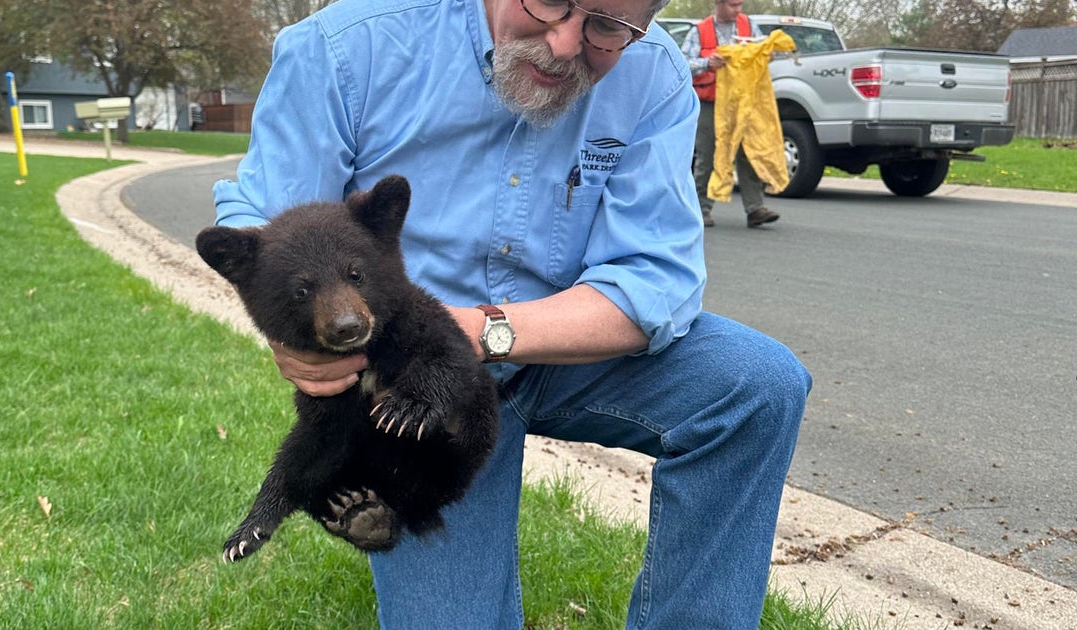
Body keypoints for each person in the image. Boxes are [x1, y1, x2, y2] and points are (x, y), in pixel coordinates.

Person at [212, 0, 811, 626]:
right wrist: (302, 339)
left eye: (608, 26)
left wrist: (484, 333)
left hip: (569, 345)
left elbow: (657, 276)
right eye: (550, 2)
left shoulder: (654, 71)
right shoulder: (346, 46)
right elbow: (264, 227)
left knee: (759, 385)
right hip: (411, 388)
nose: (563, 44)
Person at [682, 0, 781, 228]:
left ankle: (755, 209)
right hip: (712, 104)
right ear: (719, 3)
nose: (738, 10)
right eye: (733, 5)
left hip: (743, 103)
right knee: (708, 155)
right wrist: (708, 62)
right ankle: (700, 210)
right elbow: (683, 62)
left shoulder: (749, 25)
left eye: (740, 5)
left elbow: (763, 51)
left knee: (748, 152)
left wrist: (768, 54)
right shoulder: (699, 30)